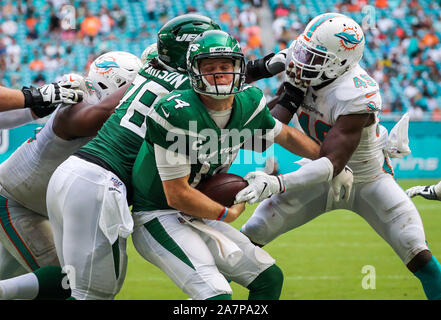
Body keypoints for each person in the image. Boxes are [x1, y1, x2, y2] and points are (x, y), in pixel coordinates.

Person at [236, 13, 441, 300]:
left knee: (417, 251)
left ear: (340, 62)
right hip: (316, 173)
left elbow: (333, 163)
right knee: (245, 240)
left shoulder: (356, 94)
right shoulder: (306, 58)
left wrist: (277, 183)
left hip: (368, 179)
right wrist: (280, 85)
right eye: (303, 50)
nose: (303, 60)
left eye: (314, 56)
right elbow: (258, 122)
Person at [128, 29, 323, 301]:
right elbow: (177, 194)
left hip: (200, 209)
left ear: (238, 68)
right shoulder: (175, 112)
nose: (219, 73)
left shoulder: (250, 102)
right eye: (210, 67)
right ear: (194, 72)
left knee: (269, 279)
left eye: (225, 66)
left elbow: (286, 135)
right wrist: (226, 213)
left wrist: (331, 160)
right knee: (216, 295)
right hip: (159, 213)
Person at [45, 14, 223, 301]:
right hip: (101, 183)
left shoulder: (148, 72)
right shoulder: (189, 92)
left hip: (71, 174)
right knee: (93, 294)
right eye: (211, 53)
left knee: (74, 286)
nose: (215, 60)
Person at [0, 51, 142, 300]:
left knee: (28, 285)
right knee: (68, 281)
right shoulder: (78, 103)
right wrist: (148, 80)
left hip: (44, 209)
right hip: (15, 202)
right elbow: (100, 113)